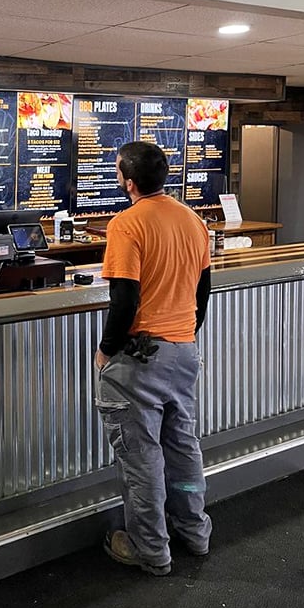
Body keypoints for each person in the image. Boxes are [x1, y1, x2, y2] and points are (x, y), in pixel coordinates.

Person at [95, 140, 211, 577]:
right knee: (183, 447)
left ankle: (150, 549)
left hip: (141, 358)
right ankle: (194, 532)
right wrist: (183, 335)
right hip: (184, 351)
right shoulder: (192, 220)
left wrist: (106, 351)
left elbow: (124, 299)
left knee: (141, 457)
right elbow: (203, 291)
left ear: (127, 181)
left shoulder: (127, 225)